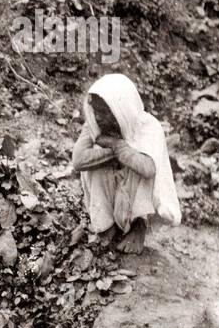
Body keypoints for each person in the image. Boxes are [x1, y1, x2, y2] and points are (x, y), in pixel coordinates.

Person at [71, 73, 181, 253]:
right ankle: (106, 227)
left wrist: (118, 145)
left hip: (136, 191)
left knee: (140, 161)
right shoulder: (94, 123)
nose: (99, 118)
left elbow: (148, 169)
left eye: (106, 112)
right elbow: (78, 161)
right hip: (111, 188)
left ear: (121, 109)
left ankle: (138, 225)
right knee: (93, 167)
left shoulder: (147, 126)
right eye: (97, 111)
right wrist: (116, 152)